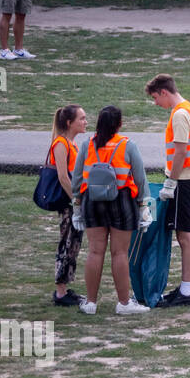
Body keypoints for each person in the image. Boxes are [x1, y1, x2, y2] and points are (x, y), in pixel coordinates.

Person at [73, 106, 153, 315]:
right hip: (121, 201)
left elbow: (77, 177)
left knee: (94, 251)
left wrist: (77, 203)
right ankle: (124, 303)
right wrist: (144, 204)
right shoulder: (127, 145)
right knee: (120, 253)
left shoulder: (87, 145)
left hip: (92, 201)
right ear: (119, 124)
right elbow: (140, 178)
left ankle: (90, 303)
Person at [145, 74, 190, 307]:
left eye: (155, 98)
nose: (155, 103)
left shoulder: (179, 114)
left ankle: (187, 291)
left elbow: (180, 152)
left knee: (185, 236)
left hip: (183, 181)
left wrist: (171, 181)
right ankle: (189, 285)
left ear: (164, 92)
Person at [47, 104, 88, 306]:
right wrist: (76, 200)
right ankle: (60, 292)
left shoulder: (71, 143)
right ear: (69, 123)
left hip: (74, 201)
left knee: (74, 243)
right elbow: (63, 177)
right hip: (68, 202)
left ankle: (64, 287)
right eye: (81, 118)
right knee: (67, 242)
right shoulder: (61, 143)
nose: (85, 122)